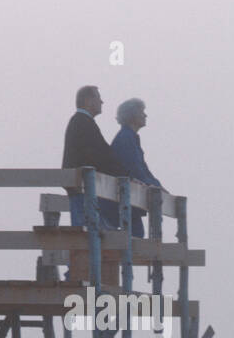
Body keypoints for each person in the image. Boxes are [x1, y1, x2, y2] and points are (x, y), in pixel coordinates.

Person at [61, 85, 124, 229]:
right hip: (82, 190)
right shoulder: (83, 122)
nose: (102, 102)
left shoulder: (81, 121)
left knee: (92, 236)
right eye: (99, 98)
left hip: (82, 189)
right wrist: (125, 175)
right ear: (89, 100)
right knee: (89, 237)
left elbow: (101, 154)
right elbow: (101, 156)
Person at [110, 98, 163, 238]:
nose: (145, 115)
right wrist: (156, 187)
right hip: (121, 203)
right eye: (142, 112)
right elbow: (135, 169)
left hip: (128, 202)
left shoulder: (130, 137)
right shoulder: (126, 138)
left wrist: (158, 186)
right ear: (132, 115)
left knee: (136, 237)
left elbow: (143, 169)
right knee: (134, 239)